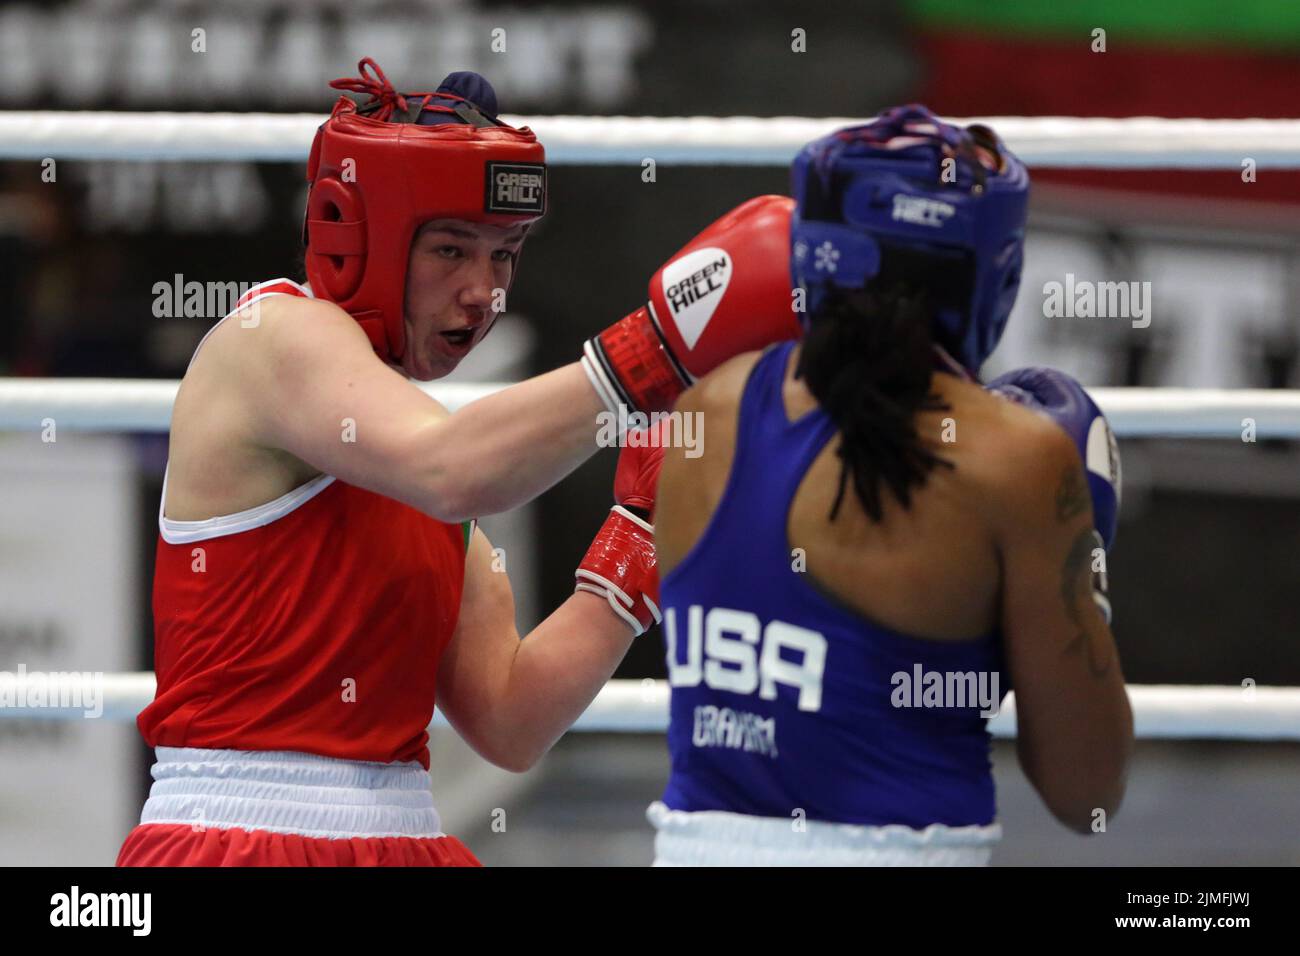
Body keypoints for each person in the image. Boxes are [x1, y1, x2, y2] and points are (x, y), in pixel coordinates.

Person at [115, 58, 798, 867]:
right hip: (237, 838)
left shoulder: (413, 450)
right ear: (353, 235)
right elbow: (455, 467)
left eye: (504, 255)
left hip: (403, 839)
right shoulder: (274, 339)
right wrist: (659, 349)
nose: (484, 291)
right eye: (451, 250)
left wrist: (641, 527)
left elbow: (510, 719)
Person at [648, 105, 1133, 866]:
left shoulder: (707, 411)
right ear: (985, 270)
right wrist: (1082, 569)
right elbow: (1088, 792)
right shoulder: (1013, 460)